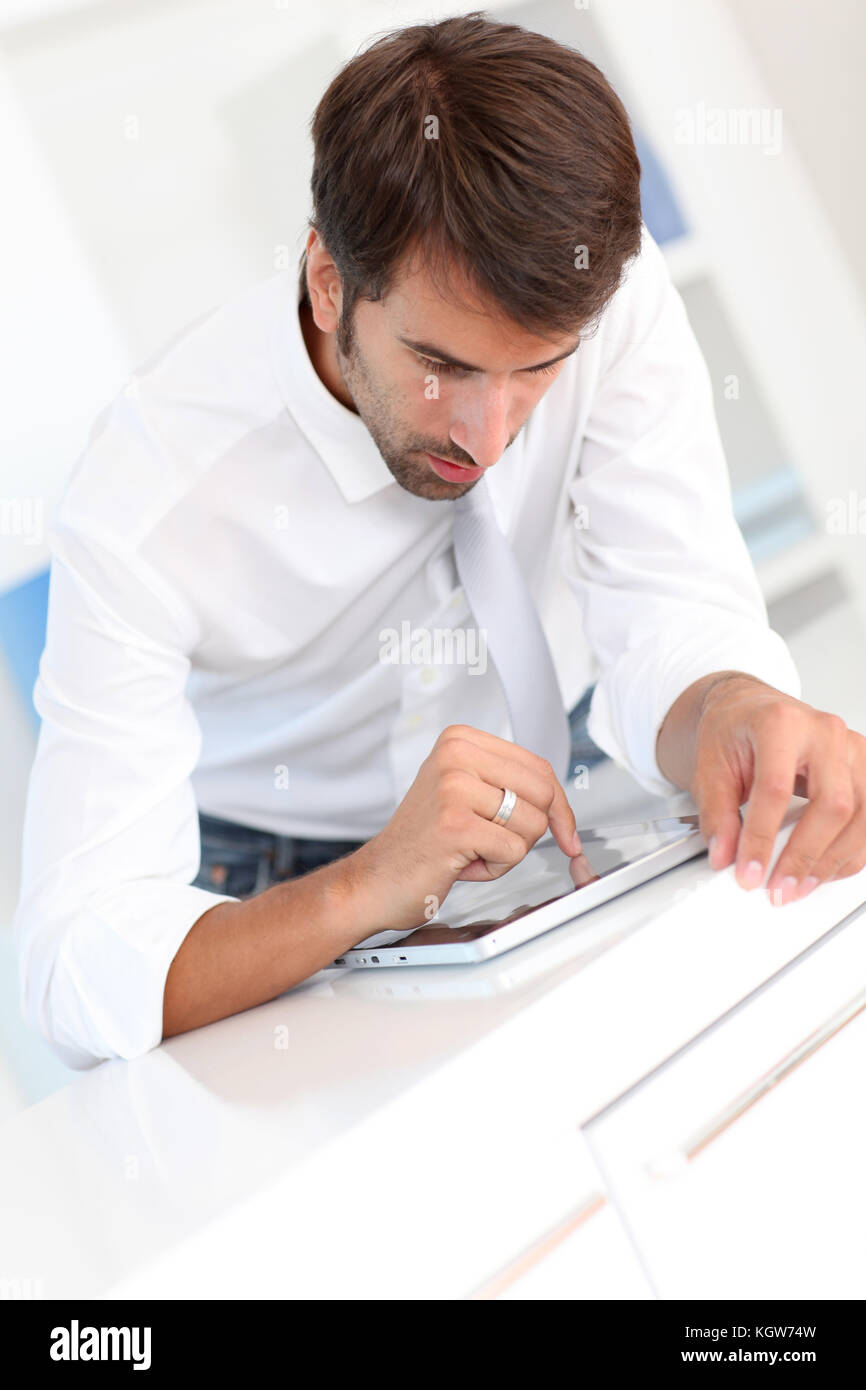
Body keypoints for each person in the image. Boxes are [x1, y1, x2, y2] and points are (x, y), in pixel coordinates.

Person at [14, 14, 866, 1070]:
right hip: (273, 872)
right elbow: (71, 959)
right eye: (443, 366)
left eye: (537, 370)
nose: (491, 435)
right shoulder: (147, 491)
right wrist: (368, 884)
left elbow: (667, 616)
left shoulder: (610, 293)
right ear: (330, 285)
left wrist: (733, 700)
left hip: (563, 770)